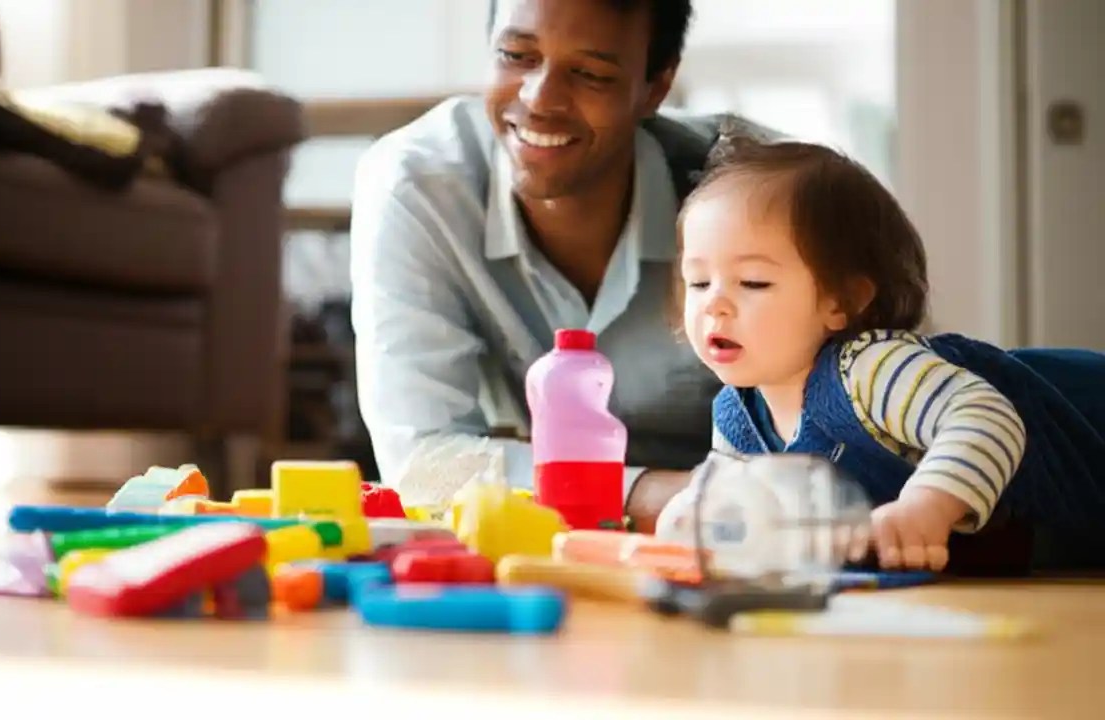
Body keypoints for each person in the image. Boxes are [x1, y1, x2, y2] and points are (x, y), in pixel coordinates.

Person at [350, 0, 766, 530]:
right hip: (619, 531)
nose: (539, 99)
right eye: (516, 55)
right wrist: (662, 494)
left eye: (590, 74)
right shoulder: (418, 185)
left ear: (655, 88)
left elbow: (864, 414)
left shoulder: (761, 194)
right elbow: (423, 464)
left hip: (745, 542)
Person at [675, 132, 1105, 572]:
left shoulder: (869, 369)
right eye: (699, 282)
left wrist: (926, 506)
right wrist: (695, 512)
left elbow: (988, 419)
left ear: (841, 302)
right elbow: (735, 503)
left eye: (753, 282)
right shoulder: (734, 413)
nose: (715, 303)